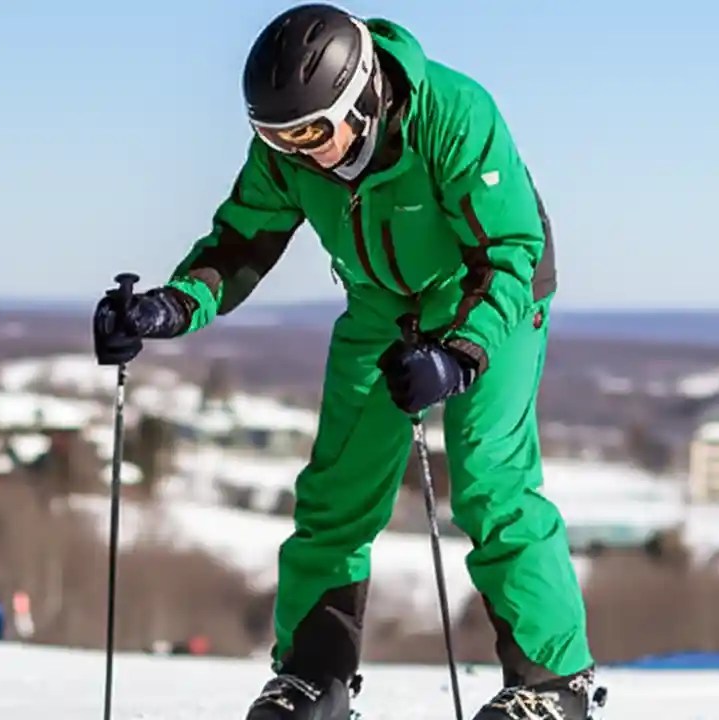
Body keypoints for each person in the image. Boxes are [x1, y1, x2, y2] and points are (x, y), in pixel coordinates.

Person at [91, 4, 605, 719]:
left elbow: (510, 251)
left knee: (490, 479)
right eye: (275, 137)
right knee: (337, 491)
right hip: (380, 302)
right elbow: (241, 242)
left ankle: (552, 686)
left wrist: (459, 354)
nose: (298, 152)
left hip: (487, 294)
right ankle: (314, 677)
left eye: (307, 132)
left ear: (361, 98)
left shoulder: (454, 113)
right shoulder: (288, 153)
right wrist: (169, 307)